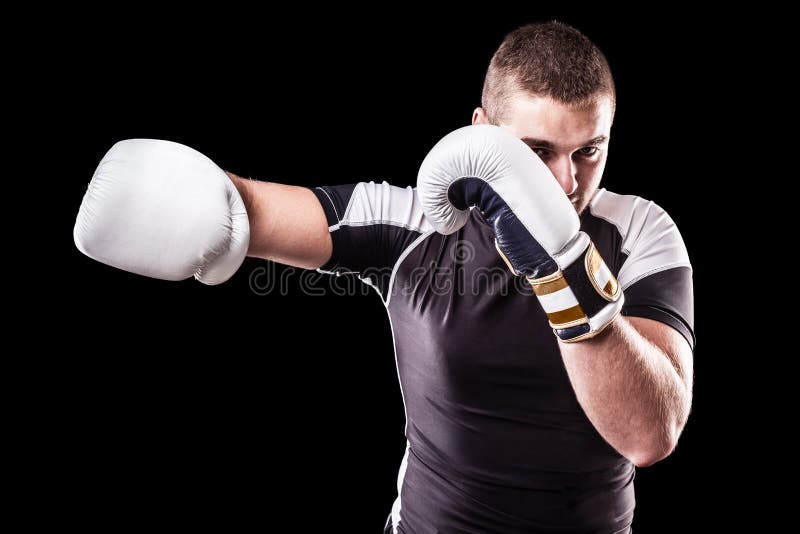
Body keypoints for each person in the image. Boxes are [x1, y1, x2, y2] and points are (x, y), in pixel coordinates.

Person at [74, 21, 693, 533]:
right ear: (480, 134)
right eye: (536, 153)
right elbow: (240, 208)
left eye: (589, 150)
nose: (566, 183)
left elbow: (650, 433)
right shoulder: (414, 222)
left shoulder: (641, 232)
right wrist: (186, 201)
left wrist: (561, 268)